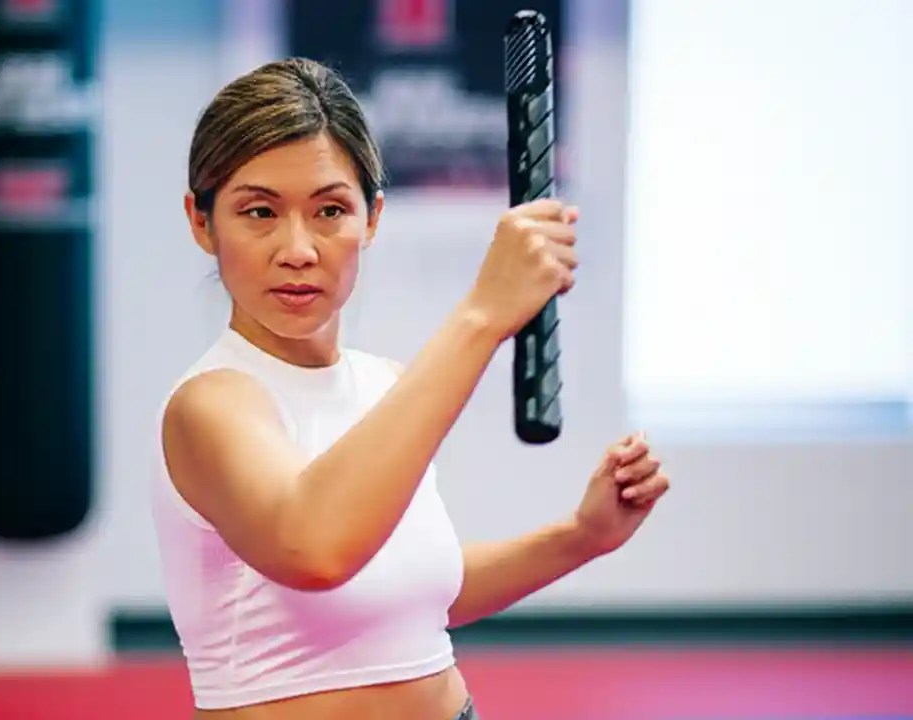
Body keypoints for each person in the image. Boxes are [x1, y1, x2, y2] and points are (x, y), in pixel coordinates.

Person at [150, 57, 671, 720]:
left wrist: (582, 535)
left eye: (330, 210)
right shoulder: (210, 405)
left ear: (371, 218)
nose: (299, 249)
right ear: (202, 222)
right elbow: (316, 547)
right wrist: (482, 314)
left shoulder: (383, 383)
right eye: (259, 211)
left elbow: (416, 596)